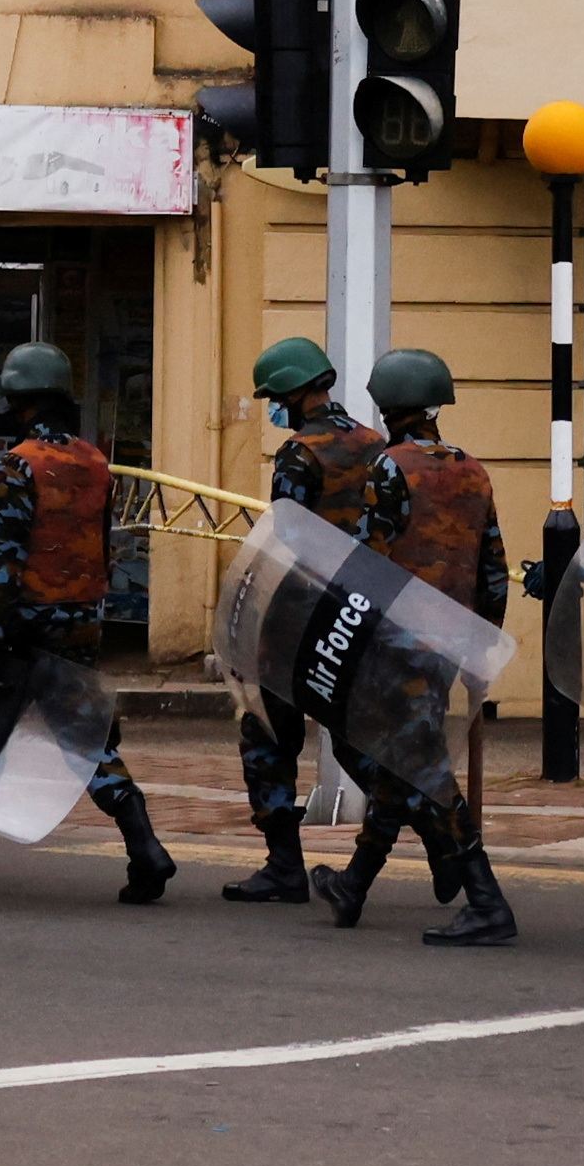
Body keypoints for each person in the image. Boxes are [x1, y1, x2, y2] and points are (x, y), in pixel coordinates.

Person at [0, 342, 176, 904]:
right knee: (86, 742)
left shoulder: (17, 467)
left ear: (17, 400)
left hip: (22, 627)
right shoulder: (95, 462)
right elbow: (103, 549)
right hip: (79, 623)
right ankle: (145, 847)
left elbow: (0, 566)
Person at [307, 349, 517, 946]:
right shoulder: (474, 471)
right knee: (403, 765)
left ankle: (486, 899)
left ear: (389, 405)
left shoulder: (390, 468)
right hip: (452, 641)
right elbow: (493, 569)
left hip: (397, 645)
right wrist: (482, 646)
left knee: (424, 769)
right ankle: (353, 885)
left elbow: (365, 564)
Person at [222, 337, 386, 905]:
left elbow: (283, 544)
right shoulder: (375, 445)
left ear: (293, 392)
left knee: (266, 735)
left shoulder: (299, 453)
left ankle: (283, 867)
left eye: (273, 397)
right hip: (361, 617)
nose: (274, 407)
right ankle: (440, 839)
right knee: (357, 740)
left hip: (298, 621)